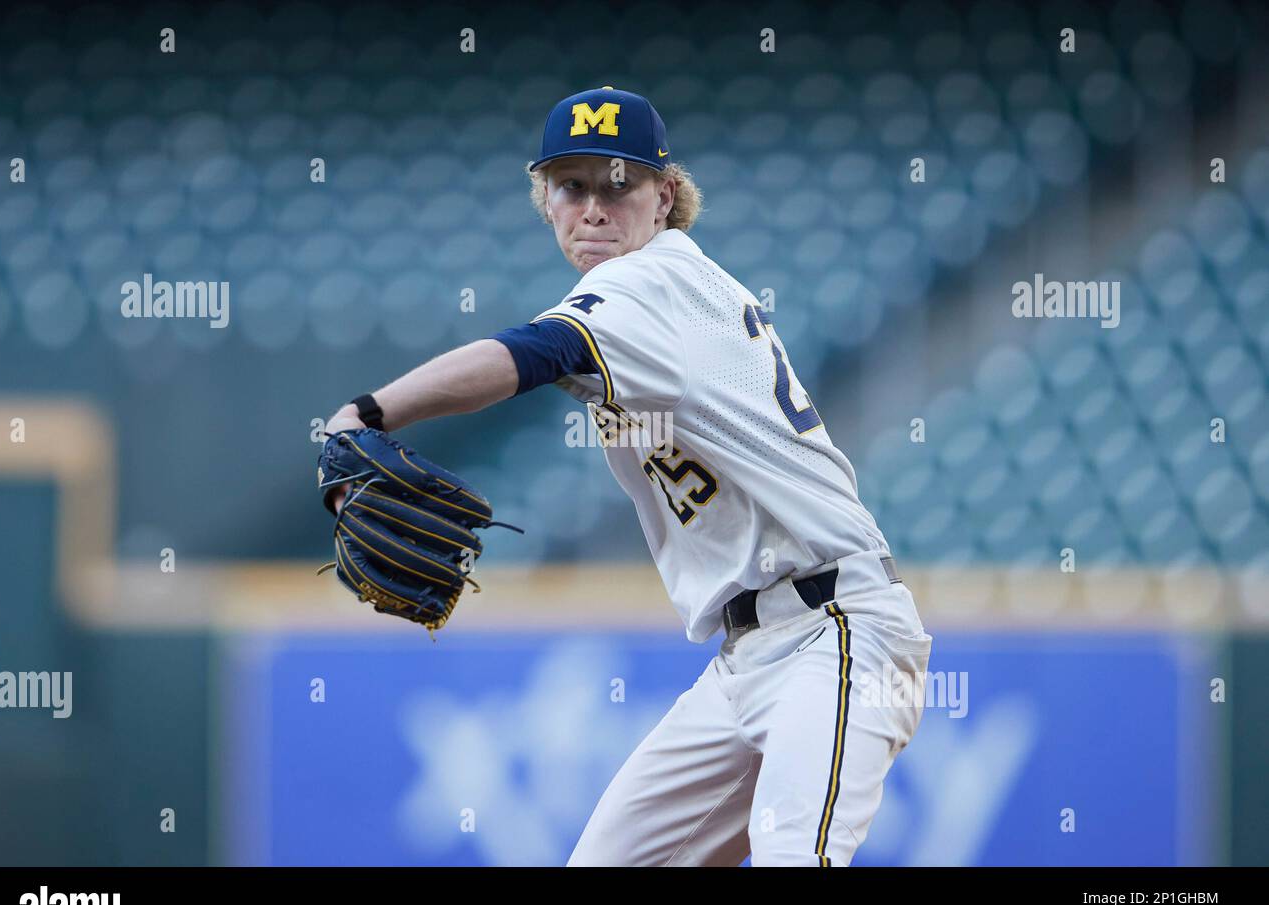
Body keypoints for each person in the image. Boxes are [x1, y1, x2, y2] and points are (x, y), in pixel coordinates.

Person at [324, 87, 933, 866]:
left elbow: (534, 354)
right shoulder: (645, 293)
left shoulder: (654, 280)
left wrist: (369, 412)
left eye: (619, 183)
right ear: (544, 201)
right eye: (571, 186)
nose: (595, 208)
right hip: (748, 658)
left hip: (838, 633)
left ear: (665, 196)